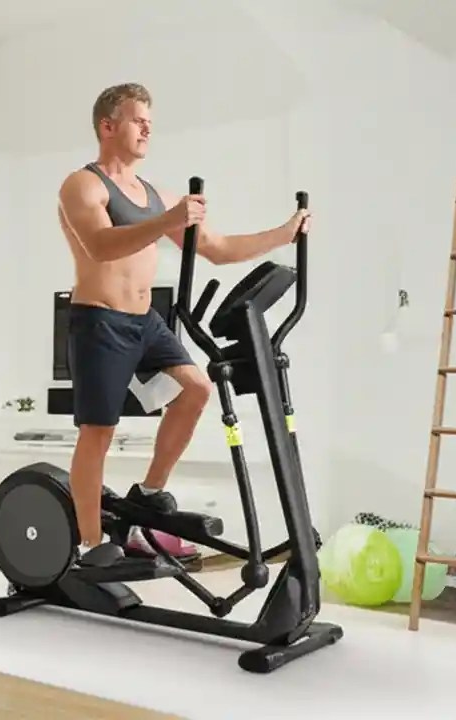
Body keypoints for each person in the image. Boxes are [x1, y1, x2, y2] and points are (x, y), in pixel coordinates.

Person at [56, 83, 311, 567]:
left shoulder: (156, 196)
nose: (147, 128)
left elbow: (217, 249)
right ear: (108, 126)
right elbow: (102, 245)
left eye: (150, 121)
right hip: (99, 322)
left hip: (146, 320)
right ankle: (91, 544)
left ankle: (150, 491)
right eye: (137, 120)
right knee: (98, 433)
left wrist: (285, 232)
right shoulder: (82, 185)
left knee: (197, 390)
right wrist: (169, 219)